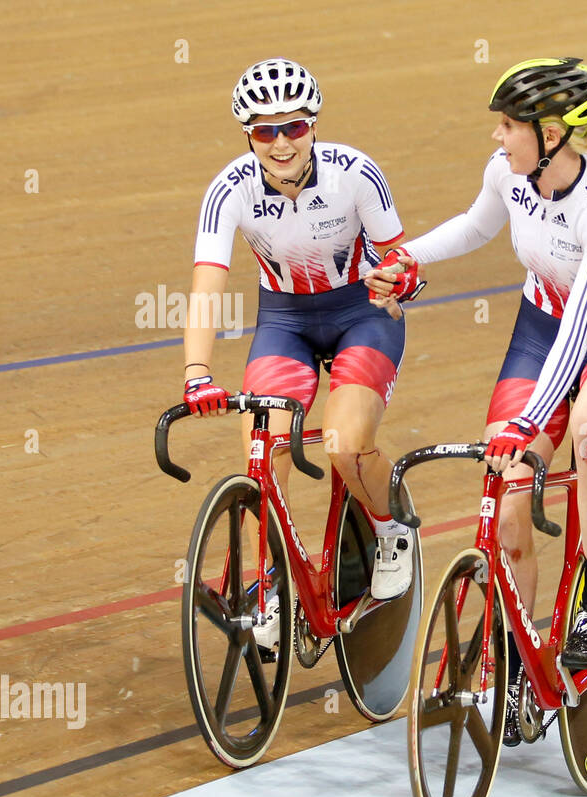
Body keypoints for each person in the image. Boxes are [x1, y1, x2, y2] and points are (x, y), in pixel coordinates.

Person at [366, 57, 587, 744]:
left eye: (509, 126)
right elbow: (477, 227)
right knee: (506, 502)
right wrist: (409, 257)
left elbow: (585, 317)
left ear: (556, 133)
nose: (499, 138)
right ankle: (515, 658)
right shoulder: (507, 174)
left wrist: (536, 420)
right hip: (539, 334)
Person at [182, 58, 423, 651]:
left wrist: (401, 283)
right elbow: (206, 284)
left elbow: (401, 259)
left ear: (313, 125)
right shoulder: (228, 190)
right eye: (267, 130)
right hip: (285, 321)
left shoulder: (356, 174)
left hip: (361, 313)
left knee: (343, 441)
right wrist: (196, 373)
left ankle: (391, 531)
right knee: (263, 452)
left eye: (294, 126)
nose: (282, 141)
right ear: (248, 136)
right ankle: (269, 577)